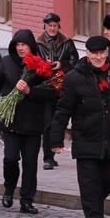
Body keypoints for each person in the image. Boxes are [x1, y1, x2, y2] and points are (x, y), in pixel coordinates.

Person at [49, 36, 110, 218]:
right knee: (89, 182)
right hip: (86, 137)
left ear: (108, 53)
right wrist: (56, 139)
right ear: (87, 53)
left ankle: (92, 204)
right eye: (94, 53)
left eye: (102, 53)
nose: (98, 57)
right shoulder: (74, 78)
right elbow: (63, 109)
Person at [0, 29, 55, 214]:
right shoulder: (6, 62)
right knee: (11, 159)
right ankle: (9, 190)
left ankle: (27, 200)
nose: (20, 48)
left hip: (33, 123)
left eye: (24, 45)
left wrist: (30, 91)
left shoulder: (41, 66)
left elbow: (50, 93)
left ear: (31, 46)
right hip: (11, 123)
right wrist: (0, 104)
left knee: (30, 163)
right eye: (18, 45)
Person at [37, 12, 78, 171]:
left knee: (59, 121)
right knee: (48, 123)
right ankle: (48, 157)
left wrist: (62, 65)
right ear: (45, 26)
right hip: (46, 87)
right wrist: (43, 66)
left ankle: (54, 151)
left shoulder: (67, 42)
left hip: (63, 87)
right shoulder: (38, 43)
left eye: (55, 26)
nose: (52, 28)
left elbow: (75, 61)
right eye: (49, 26)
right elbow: (32, 62)